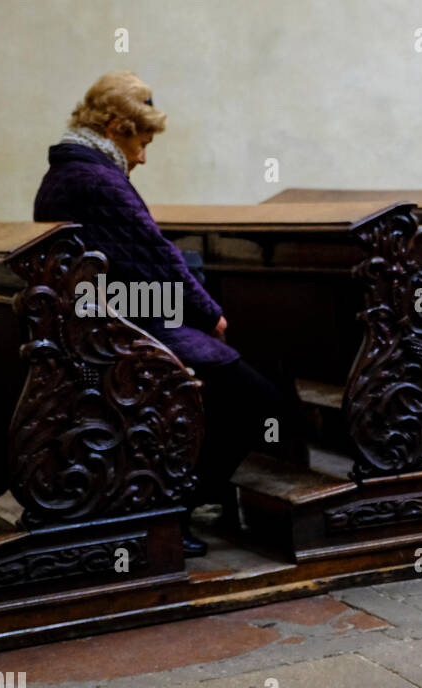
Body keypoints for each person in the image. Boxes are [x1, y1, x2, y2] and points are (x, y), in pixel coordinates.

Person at [34, 71, 289, 556]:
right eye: (142, 142)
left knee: (234, 383)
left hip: (105, 319)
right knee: (258, 401)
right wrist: (207, 311)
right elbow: (154, 256)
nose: (144, 157)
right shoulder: (97, 179)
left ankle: (185, 496)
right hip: (123, 330)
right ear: (114, 127)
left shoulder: (68, 172)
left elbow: (134, 260)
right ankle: (175, 506)